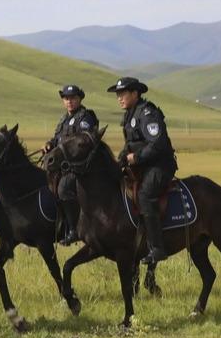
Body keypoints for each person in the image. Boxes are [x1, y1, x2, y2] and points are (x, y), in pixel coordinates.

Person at [108, 77, 176, 264]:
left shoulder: (148, 114)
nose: (119, 98)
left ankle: (157, 248)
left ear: (135, 94)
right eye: (118, 95)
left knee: (145, 195)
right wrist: (120, 159)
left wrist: (136, 158)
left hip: (160, 166)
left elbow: (157, 144)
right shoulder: (130, 114)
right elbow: (131, 144)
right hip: (142, 166)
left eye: (123, 94)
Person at [44, 84, 99, 245]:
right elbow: (57, 139)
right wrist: (48, 144)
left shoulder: (85, 118)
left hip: (79, 166)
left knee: (64, 189)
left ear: (79, 99)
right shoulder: (64, 119)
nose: (69, 101)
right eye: (66, 98)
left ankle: (75, 229)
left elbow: (83, 143)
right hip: (63, 164)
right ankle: (59, 226)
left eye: (73, 98)